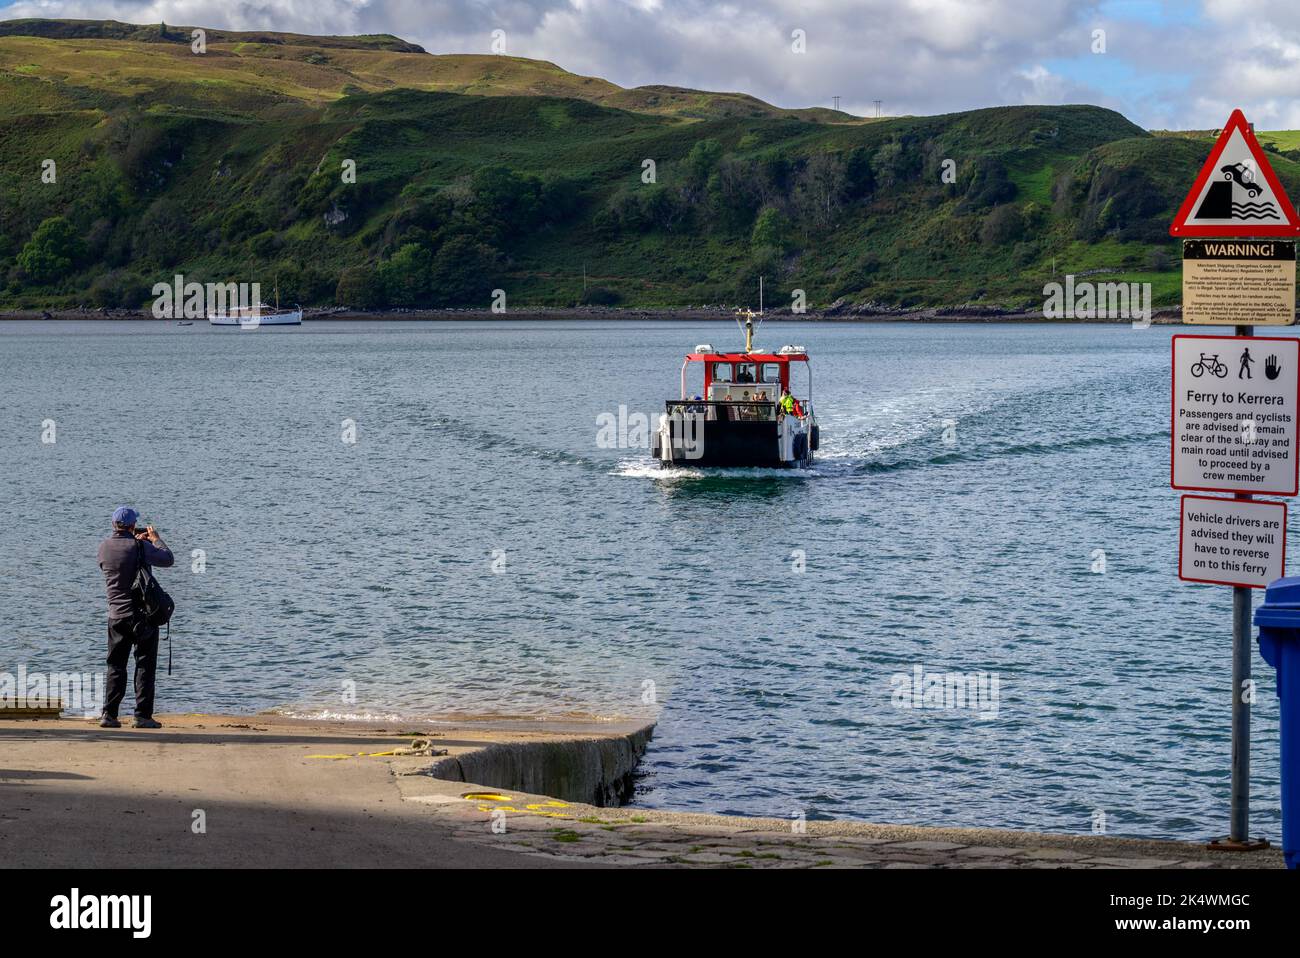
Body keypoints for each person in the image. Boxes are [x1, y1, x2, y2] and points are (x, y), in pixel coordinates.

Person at [97, 506, 174, 729]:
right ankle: (142, 716)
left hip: (116, 615)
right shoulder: (140, 546)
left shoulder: (103, 548)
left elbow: (120, 564)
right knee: (144, 666)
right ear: (132, 526)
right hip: (142, 616)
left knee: (115, 666)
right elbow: (168, 559)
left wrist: (138, 544)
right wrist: (155, 540)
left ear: (114, 525)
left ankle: (109, 714)